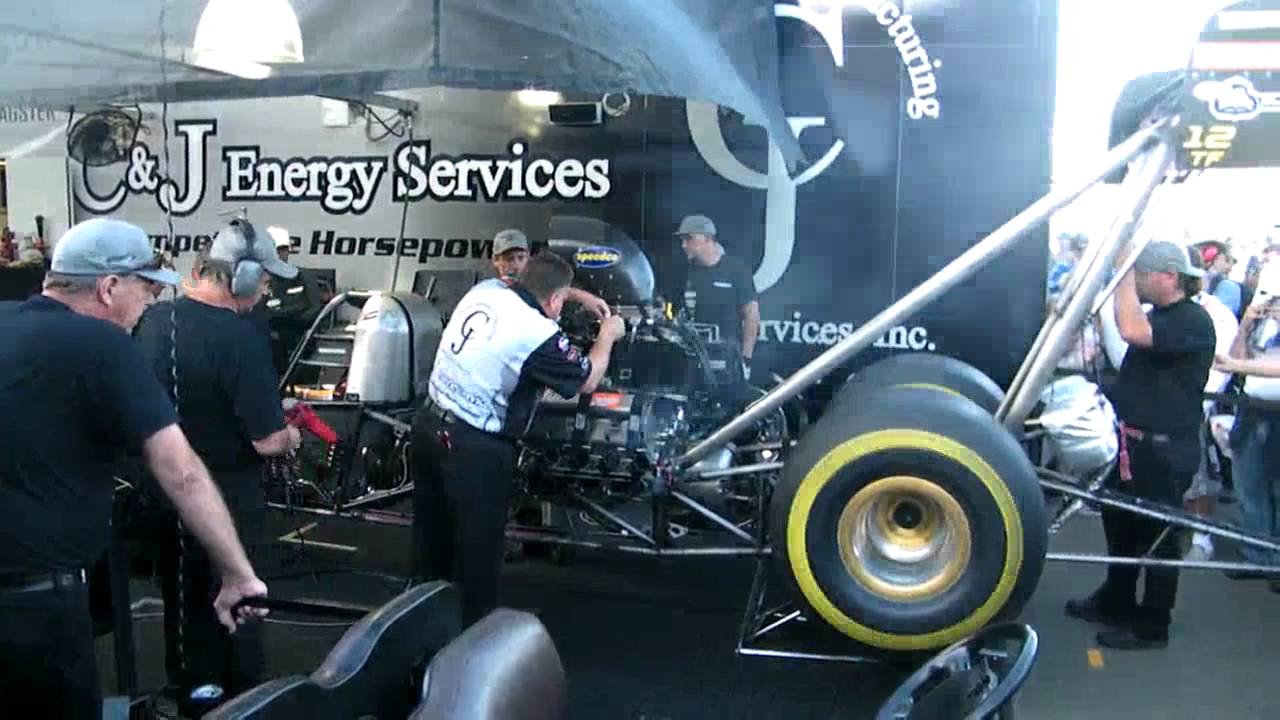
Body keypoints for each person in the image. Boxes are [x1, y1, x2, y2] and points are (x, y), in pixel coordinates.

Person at [0, 218, 268, 719]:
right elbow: (180, 469)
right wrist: (237, 575)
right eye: (145, 289)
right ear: (109, 287)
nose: (149, 305)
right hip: (34, 609)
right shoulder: (103, 345)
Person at [133, 219, 302, 712]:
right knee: (239, 601)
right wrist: (288, 432)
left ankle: (190, 691)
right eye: (265, 280)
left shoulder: (155, 320)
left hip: (161, 495)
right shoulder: (240, 338)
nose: (266, 291)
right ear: (242, 278)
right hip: (226, 499)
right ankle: (242, 700)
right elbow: (268, 441)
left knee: (183, 602)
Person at [411, 251, 626, 625]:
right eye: (561, 299)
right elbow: (588, 378)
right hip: (473, 447)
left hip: (429, 427)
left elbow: (531, 286)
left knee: (431, 542)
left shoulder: (486, 290)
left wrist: (577, 295)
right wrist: (608, 335)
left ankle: (417, 625)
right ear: (554, 299)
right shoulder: (537, 332)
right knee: (479, 552)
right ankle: (472, 642)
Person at [1065, 240, 1215, 650]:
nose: (1137, 284)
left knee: (1157, 539)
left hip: (1162, 452)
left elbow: (1131, 330)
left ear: (1169, 276)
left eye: (1142, 276)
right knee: (1122, 531)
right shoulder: (1167, 316)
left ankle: (1153, 623)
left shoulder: (1192, 320)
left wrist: (1122, 270)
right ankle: (1117, 600)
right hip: (1137, 447)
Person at [1213, 299, 1280, 593]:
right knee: (1248, 484)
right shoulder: (1262, 326)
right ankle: (1256, 554)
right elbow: (1235, 362)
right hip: (1251, 409)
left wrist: (1236, 363)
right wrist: (1245, 325)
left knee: (1276, 489)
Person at [676, 214, 760, 388]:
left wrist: (746, 359)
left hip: (726, 359)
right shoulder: (684, 272)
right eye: (682, 240)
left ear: (708, 238)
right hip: (690, 359)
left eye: (689, 239)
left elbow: (751, 316)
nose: (684, 245)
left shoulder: (737, 271)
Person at [485, 228, 611, 318]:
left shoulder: (535, 285)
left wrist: (586, 298)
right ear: (496, 261)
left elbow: (556, 290)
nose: (516, 265)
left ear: (528, 257)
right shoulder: (488, 290)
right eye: (509, 259)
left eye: (521, 257)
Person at [262, 226, 325, 375]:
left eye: (283, 249)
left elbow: (313, 311)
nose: (280, 253)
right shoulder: (257, 279)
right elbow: (256, 314)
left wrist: (278, 315)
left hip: (298, 342)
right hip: (265, 347)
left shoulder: (304, 276)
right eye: (276, 249)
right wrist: (293, 310)